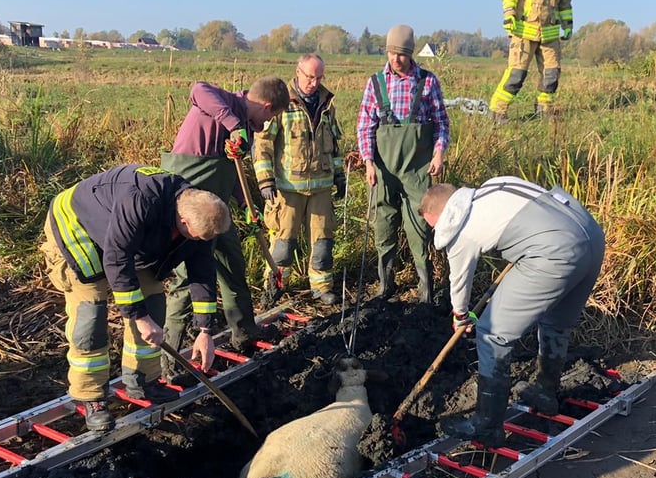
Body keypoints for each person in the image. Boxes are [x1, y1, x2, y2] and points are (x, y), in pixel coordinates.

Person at [40, 165, 231, 433]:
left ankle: (142, 381)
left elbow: (202, 271)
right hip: (76, 228)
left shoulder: (196, 213)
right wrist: (138, 317)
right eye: (200, 237)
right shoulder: (141, 200)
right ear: (184, 222)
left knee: (153, 301)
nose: (203, 242)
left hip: (122, 237)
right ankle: (92, 396)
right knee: (91, 314)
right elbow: (117, 259)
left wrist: (205, 330)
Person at [418, 178, 604, 447]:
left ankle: (486, 426)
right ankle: (545, 391)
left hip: (555, 252)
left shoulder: (457, 226)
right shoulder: (495, 186)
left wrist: (461, 317)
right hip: (591, 235)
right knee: (555, 322)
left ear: (440, 214)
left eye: (430, 223)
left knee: (491, 332)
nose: (433, 229)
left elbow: (459, 284)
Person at [161, 77, 291, 363]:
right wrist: (234, 127)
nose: (268, 122)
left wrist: (246, 205)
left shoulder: (247, 128)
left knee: (233, 264)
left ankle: (244, 333)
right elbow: (197, 89)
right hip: (188, 210)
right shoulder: (223, 104)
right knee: (186, 281)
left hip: (218, 207)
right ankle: (168, 359)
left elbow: (232, 171)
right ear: (267, 106)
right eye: (271, 116)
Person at [356, 24, 450, 303]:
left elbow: (442, 123)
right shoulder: (375, 83)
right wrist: (368, 162)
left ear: (411, 54)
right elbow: (365, 127)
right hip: (383, 169)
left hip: (417, 168)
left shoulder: (428, 82)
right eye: (392, 52)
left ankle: (425, 288)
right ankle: (386, 284)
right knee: (383, 223)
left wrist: (439, 153)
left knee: (419, 225)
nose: (396, 59)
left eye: (403, 54)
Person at [253, 53, 346, 306]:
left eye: (318, 78)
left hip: (321, 188)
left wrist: (339, 175)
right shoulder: (283, 104)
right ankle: (274, 288)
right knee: (283, 243)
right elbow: (262, 144)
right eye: (309, 77)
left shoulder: (327, 105)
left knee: (323, 241)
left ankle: (322, 287)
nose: (314, 83)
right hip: (287, 189)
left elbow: (334, 146)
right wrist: (265, 180)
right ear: (297, 72)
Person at [489, 0, 573, 123]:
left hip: (550, 34)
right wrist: (509, 13)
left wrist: (568, 24)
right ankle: (497, 112)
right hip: (524, 31)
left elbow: (565, 1)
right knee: (516, 75)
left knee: (551, 75)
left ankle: (543, 111)